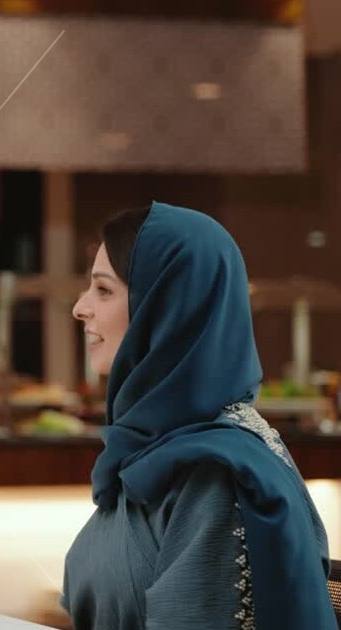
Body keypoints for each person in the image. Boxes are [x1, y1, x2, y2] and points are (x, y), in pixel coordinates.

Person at [62, 201, 337, 629]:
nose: (80, 307)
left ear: (168, 307)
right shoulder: (151, 449)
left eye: (104, 290)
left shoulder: (217, 476)